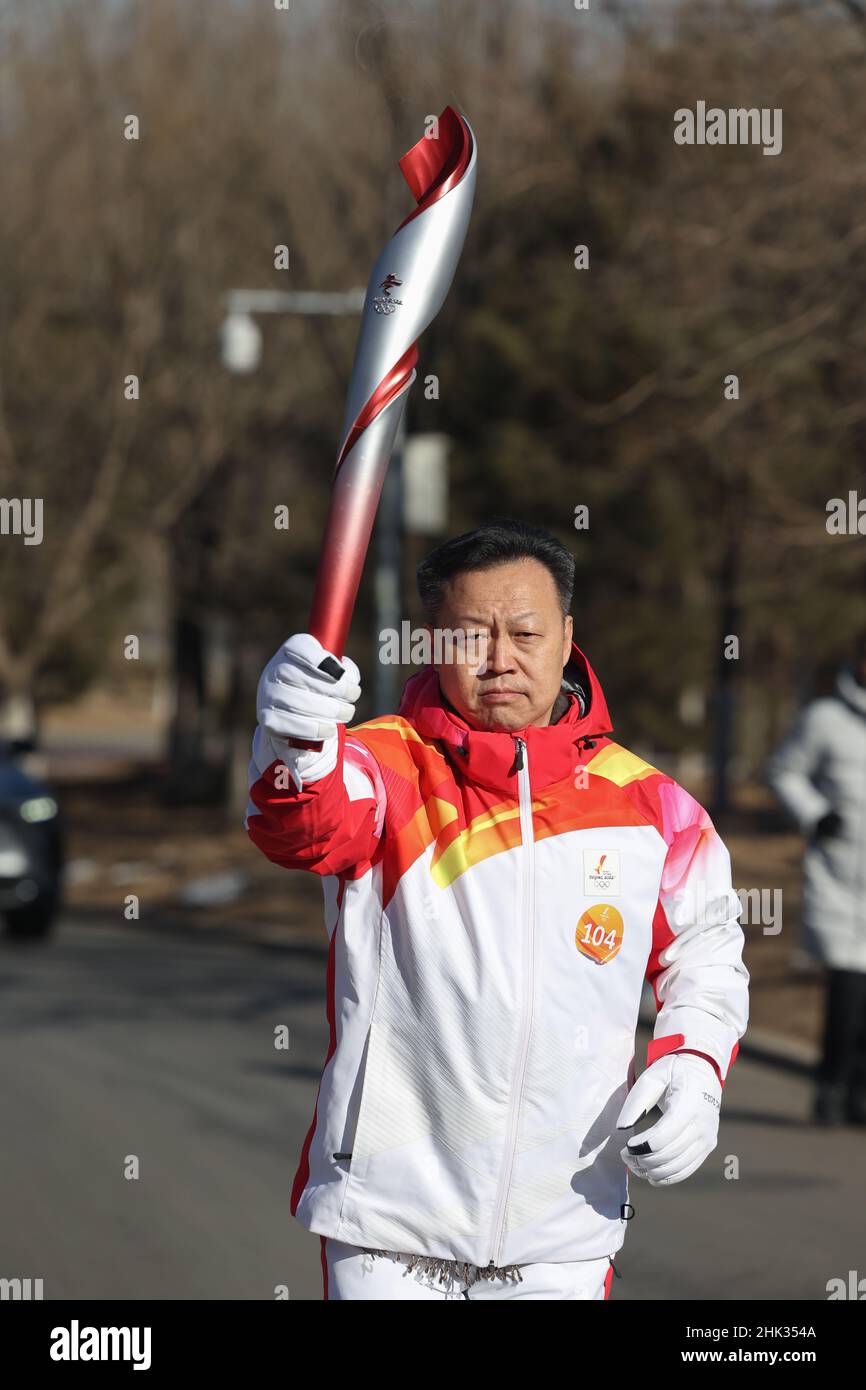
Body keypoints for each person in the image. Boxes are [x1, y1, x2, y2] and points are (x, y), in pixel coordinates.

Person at [245, 518, 750, 1300]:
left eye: (524, 632)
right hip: (388, 1230)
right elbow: (305, 827)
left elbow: (707, 954)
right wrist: (293, 744)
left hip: (564, 1232)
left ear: (567, 634)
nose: (500, 660)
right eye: (470, 637)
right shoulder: (384, 765)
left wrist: (694, 1063)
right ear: (429, 642)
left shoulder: (651, 807)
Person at [766, 629, 866, 1127]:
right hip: (839, 876)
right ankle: (830, 1088)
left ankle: (860, 1095)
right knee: (848, 988)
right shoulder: (825, 720)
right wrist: (816, 814)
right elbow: (785, 771)